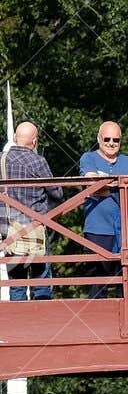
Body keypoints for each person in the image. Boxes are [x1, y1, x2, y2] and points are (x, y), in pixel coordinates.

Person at [79, 121, 128, 298]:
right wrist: (117, 187)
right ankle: (97, 322)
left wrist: (106, 187)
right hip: (97, 229)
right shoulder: (89, 158)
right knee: (97, 283)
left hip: (126, 230)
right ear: (98, 138)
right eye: (107, 138)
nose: (111, 143)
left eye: (116, 139)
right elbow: (92, 183)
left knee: (127, 282)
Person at [0, 122, 62, 299]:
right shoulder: (38, 161)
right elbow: (57, 192)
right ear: (35, 141)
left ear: (14, 139)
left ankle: (19, 322)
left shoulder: (1, 159)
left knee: (17, 282)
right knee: (41, 278)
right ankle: (42, 320)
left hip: (10, 230)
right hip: (36, 228)